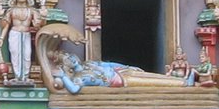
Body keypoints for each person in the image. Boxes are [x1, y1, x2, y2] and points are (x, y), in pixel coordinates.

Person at [39, 40, 195, 93]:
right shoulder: (79, 78)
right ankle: (183, 84)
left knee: (152, 75)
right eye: (68, 59)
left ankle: (180, 80)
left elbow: (109, 64)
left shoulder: (89, 63)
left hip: (121, 71)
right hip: (118, 81)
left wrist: (127, 66)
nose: (72, 58)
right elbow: (74, 90)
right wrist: (62, 76)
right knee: (152, 82)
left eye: (71, 56)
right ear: (68, 67)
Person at [0, 0, 43, 84]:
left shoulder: (32, 11)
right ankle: (17, 76)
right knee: (15, 54)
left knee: (27, 54)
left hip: (26, 34)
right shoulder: (11, 10)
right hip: (14, 33)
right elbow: (5, 25)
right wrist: (1, 38)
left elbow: (38, 25)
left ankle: (25, 76)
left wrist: (43, 15)